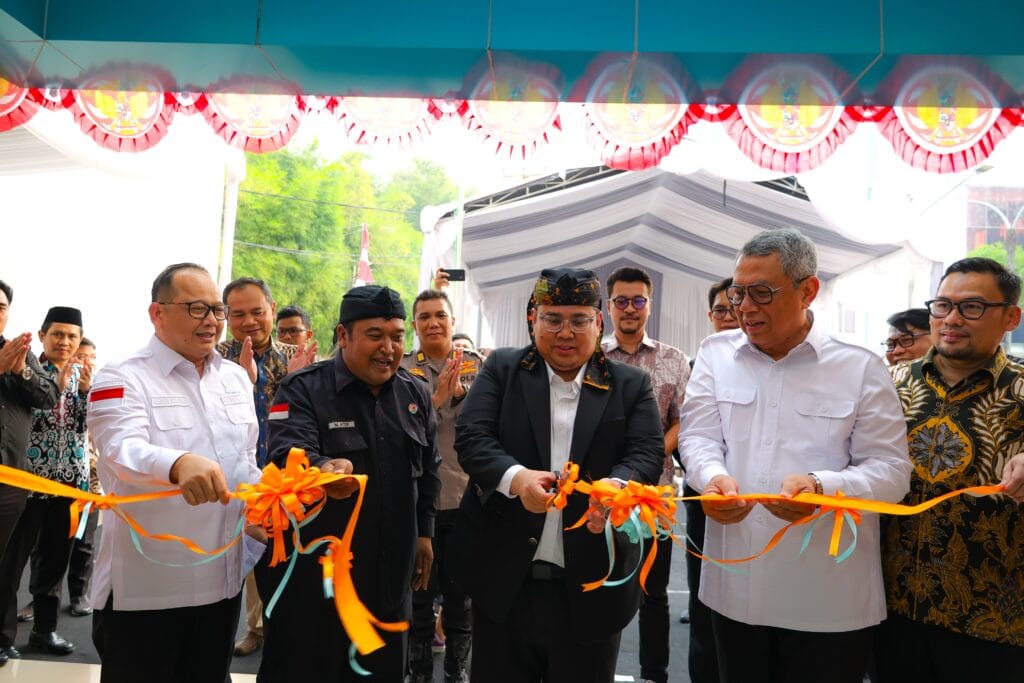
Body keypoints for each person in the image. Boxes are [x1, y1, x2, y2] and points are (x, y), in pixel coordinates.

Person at [679, 229, 912, 683]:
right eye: (738, 292)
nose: (745, 308)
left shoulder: (860, 366)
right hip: (735, 588)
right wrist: (711, 477)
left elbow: (892, 471)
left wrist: (824, 487)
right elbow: (699, 438)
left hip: (826, 597)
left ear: (808, 290)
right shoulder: (715, 354)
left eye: (762, 293)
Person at [452, 267, 664, 682]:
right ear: (533, 319)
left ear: (598, 322)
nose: (565, 332)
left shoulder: (630, 384)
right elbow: (472, 438)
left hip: (591, 585)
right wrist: (516, 479)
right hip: (504, 583)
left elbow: (647, 452)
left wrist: (615, 486)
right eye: (553, 318)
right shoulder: (502, 369)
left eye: (579, 320)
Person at [86, 262, 263, 683]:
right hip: (148, 592)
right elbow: (117, 449)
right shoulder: (122, 375)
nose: (213, 322)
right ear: (157, 313)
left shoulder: (236, 379)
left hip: (222, 585)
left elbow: (245, 462)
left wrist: (269, 501)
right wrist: (177, 463)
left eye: (218, 311)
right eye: (197, 308)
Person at [256, 284, 440, 682]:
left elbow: (429, 469)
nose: (388, 348)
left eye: (396, 336)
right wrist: (322, 469)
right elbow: (286, 453)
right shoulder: (303, 388)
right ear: (343, 336)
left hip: (389, 582)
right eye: (375, 336)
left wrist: (424, 534)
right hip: (314, 584)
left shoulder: (415, 393)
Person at [877, 257, 1024, 681]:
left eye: (972, 307)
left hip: (995, 617)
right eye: (942, 306)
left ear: (1011, 317)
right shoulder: (886, 384)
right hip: (892, 606)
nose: (951, 319)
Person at [600, 266, 690, 683]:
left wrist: (649, 453)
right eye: (621, 301)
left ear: (649, 305)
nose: (630, 309)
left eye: (638, 300)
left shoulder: (673, 359)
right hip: (604, 496)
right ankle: (598, 669)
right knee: (602, 586)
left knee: (653, 593)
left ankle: (655, 674)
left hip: (656, 495)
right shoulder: (593, 357)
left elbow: (683, 421)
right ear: (609, 306)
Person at [217, 277, 313, 657]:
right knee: (221, 562)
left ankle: (265, 630)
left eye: (257, 312)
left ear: (272, 310)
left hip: (277, 481)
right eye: (237, 314)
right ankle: (231, 633)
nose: (249, 321)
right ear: (225, 317)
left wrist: (295, 380)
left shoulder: (296, 357)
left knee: (273, 561)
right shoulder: (212, 355)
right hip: (225, 478)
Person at [401, 289, 484, 683]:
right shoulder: (400, 370)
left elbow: (490, 426)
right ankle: (417, 670)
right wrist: (434, 401)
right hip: (418, 501)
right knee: (418, 594)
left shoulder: (480, 368)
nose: (433, 322)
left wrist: (461, 394)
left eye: (440, 315)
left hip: (466, 498)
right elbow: (397, 429)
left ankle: (457, 670)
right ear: (414, 325)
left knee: (459, 598)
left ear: (453, 320)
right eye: (424, 316)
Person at [0, 307, 89, 657]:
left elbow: (85, 429)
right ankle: (2, 636)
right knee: (12, 561)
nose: (65, 342)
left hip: (69, 484)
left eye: (72, 336)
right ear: (41, 336)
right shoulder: (27, 365)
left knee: (55, 560)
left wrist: (83, 393)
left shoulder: (86, 374)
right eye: (58, 334)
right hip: (27, 480)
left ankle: (44, 630)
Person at [678, 276, 737, 682]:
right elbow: (691, 434)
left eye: (738, 306)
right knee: (704, 601)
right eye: (722, 310)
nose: (733, 315)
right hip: (706, 496)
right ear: (710, 316)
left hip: (771, 502)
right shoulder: (702, 365)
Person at [0, 280, 60, 666]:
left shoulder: (20, 351)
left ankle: (3, 638)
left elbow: (49, 397)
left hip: (12, 478)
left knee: (6, 562)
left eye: (1, 305)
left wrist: (21, 371)